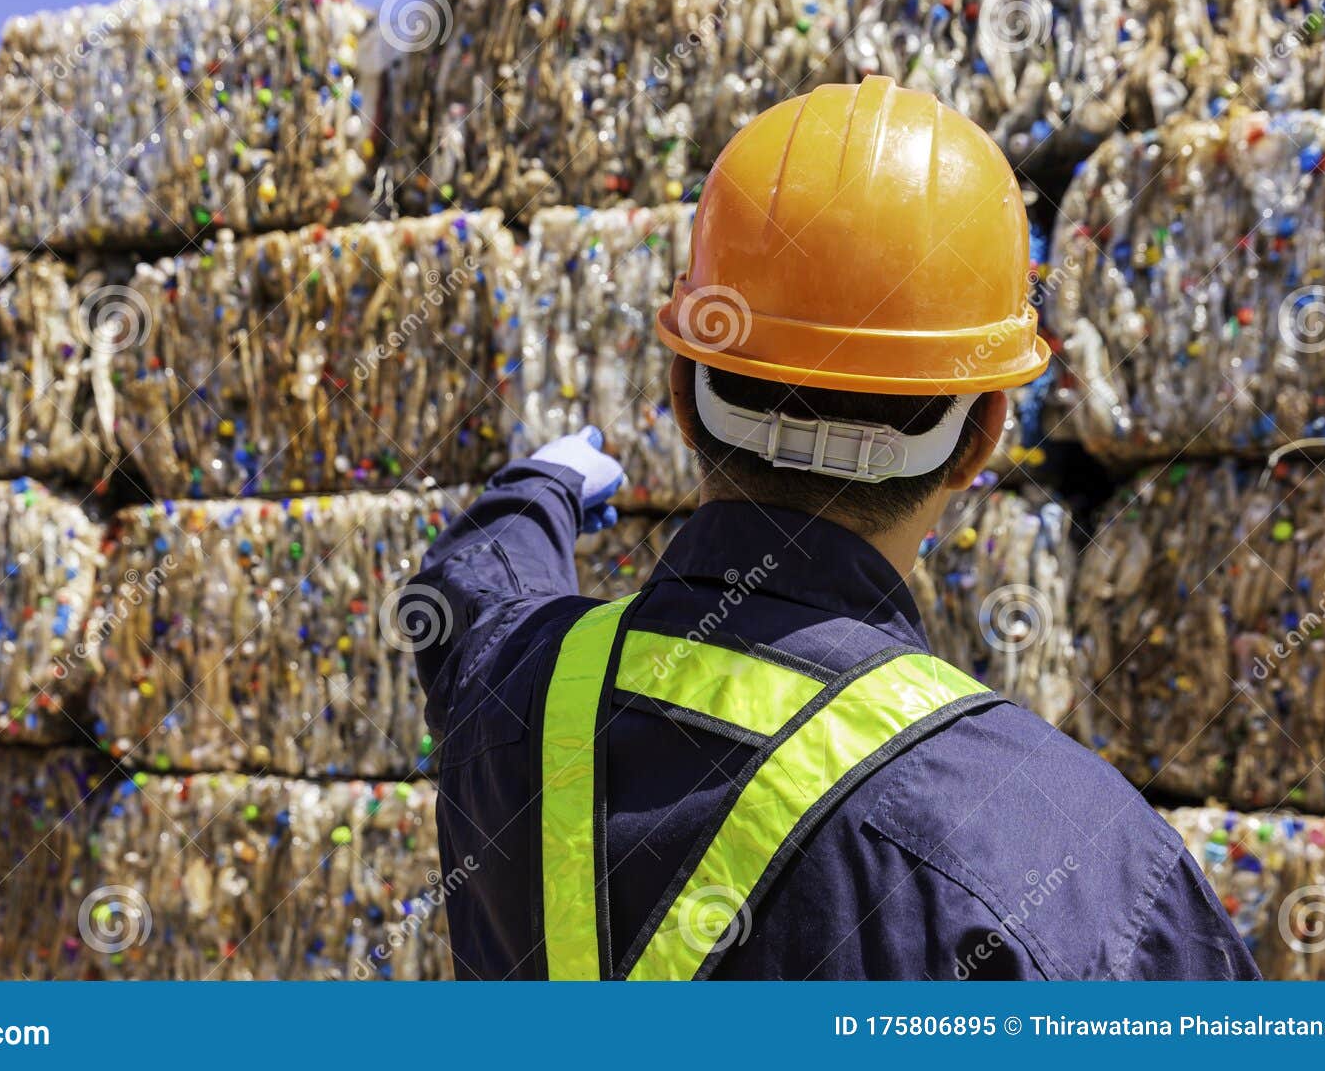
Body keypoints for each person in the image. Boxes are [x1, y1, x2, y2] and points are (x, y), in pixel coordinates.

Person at [404, 77, 1258, 980]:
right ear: (982, 438)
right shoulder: (1078, 855)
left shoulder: (512, 690)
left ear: (681, 403)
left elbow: (471, 588)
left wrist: (538, 488)